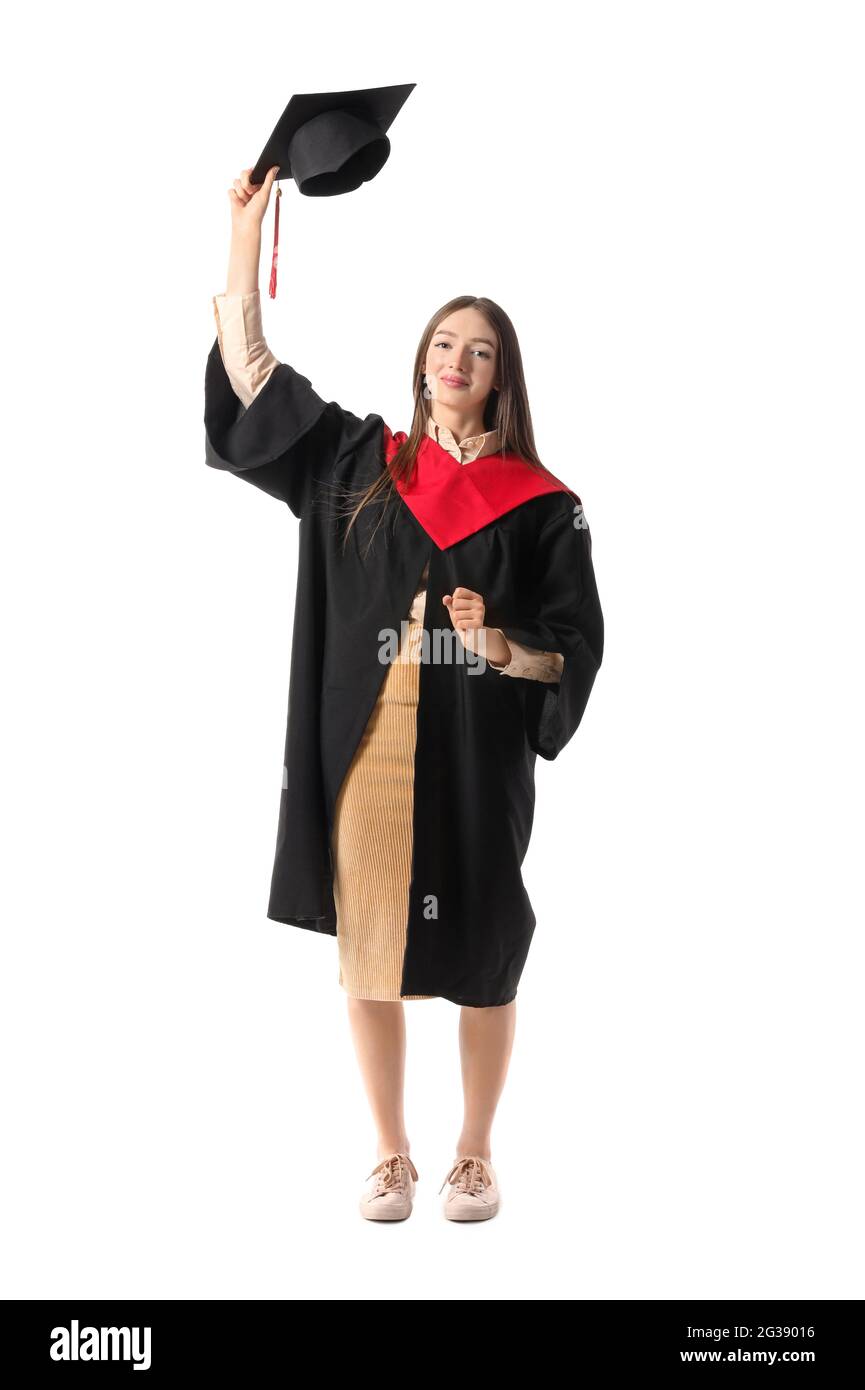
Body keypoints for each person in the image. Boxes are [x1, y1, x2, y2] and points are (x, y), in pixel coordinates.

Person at [204, 165, 605, 1222]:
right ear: (422, 362)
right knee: (371, 940)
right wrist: (245, 239)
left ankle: (474, 1154)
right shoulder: (359, 462)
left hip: (478, 758)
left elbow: (574, 645)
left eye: (479, 349)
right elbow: (253, 376)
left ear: (501, 374)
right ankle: (390, 1153)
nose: (457, 361)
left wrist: (502, 642)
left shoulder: (543, 507)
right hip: (370, 747)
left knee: (484, 946)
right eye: (444, 343)